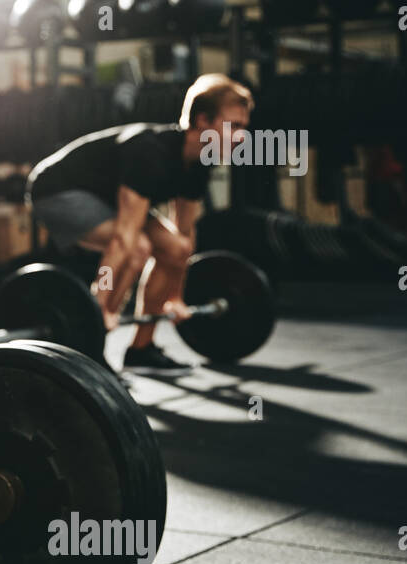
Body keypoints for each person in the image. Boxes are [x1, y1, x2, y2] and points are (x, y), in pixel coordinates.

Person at [25, 73, 253, 375]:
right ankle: (92, 344)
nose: (241, 137)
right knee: (136, 248)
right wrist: (99, 309)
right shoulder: (151, 153)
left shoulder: (200, 162)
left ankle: (141, 350)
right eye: (233, 126)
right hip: (56, 190)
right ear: (202, 121)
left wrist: (176, 296)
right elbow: (122, 240)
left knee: (175, 247)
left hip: (105, 198)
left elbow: (184, 236)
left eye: (244, 128)